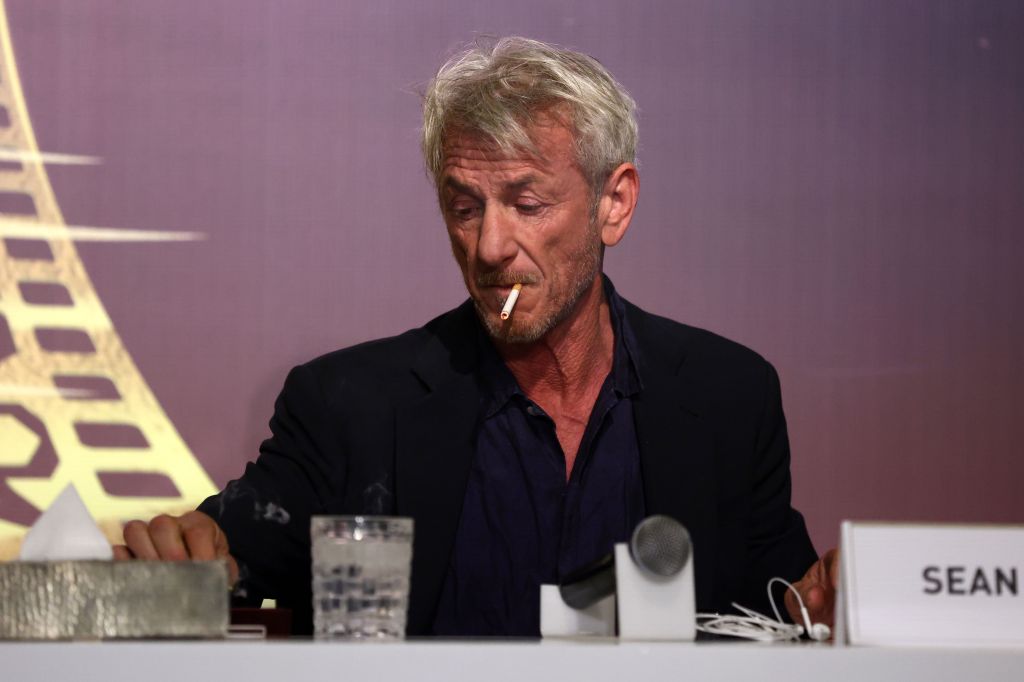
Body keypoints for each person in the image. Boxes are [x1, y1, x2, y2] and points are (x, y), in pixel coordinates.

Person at [115, 36, 838, 636]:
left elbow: (779, 604)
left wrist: (827, 599)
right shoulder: (350, 405)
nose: (490, 246)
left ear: (613, 205)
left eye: (527, 203)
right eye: (465, 208)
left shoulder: (725, 396)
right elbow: (243, 541)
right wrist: (202, 551)